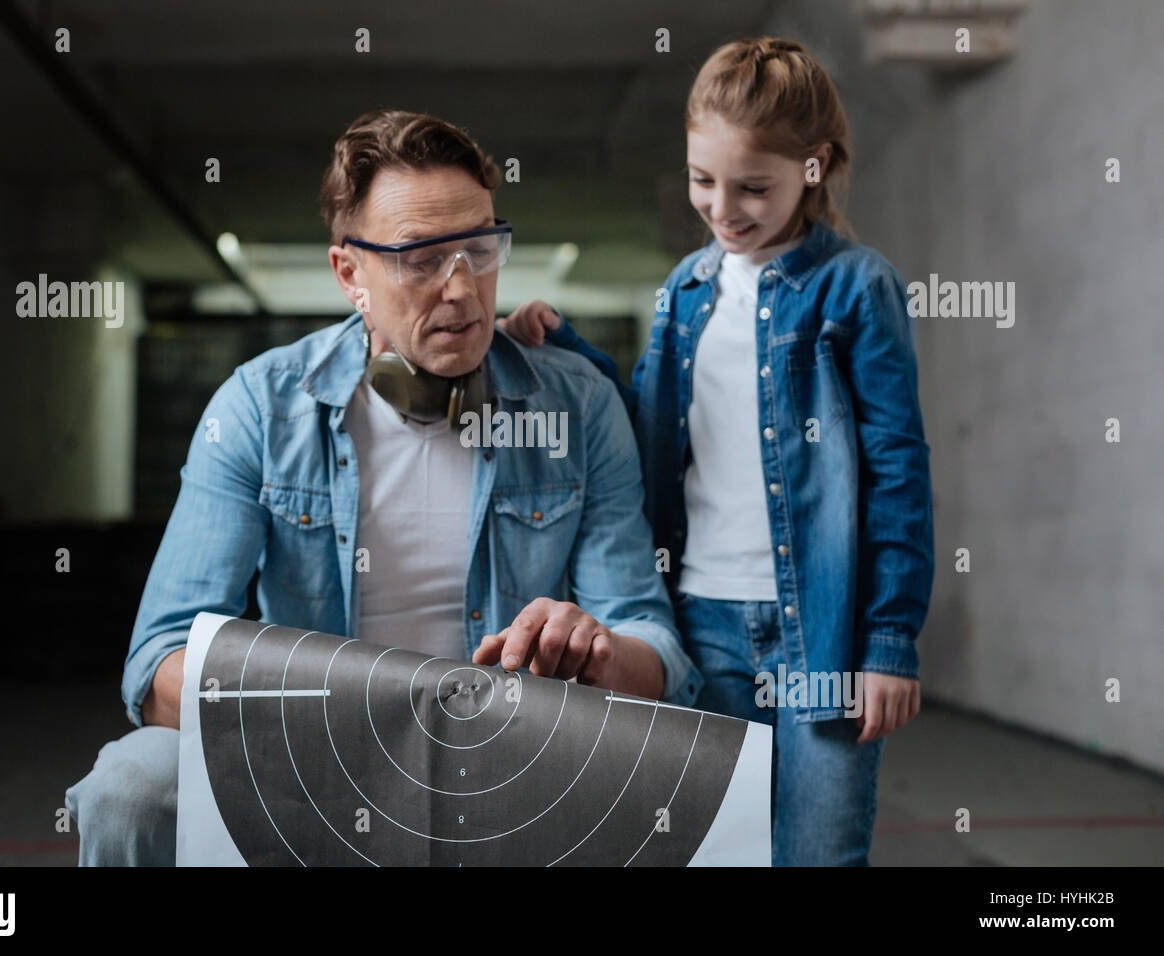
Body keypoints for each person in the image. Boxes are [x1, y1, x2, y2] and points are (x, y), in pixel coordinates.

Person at [64, 109, 702, 866]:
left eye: (478, 248)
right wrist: (323, 712)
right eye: (420, 260)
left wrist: (598, 651)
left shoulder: (579, 405)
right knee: (132, 787)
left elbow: (658, 652)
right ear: (349, 274)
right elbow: (159, 664)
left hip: (511, 767)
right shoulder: (259, 407)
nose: (462, 290)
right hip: (312, 769)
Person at [499, 37, 934, 865]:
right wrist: (572, 351)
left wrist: (888, 642)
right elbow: (653, 433)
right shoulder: (684, 293)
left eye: (753, 187)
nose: (723, 207)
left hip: (825, 636)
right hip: (701, 625)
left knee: (818, 854)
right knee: (713, 853)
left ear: (815, 169)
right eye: (704, 180)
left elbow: (897, 470)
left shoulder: (858, 287)